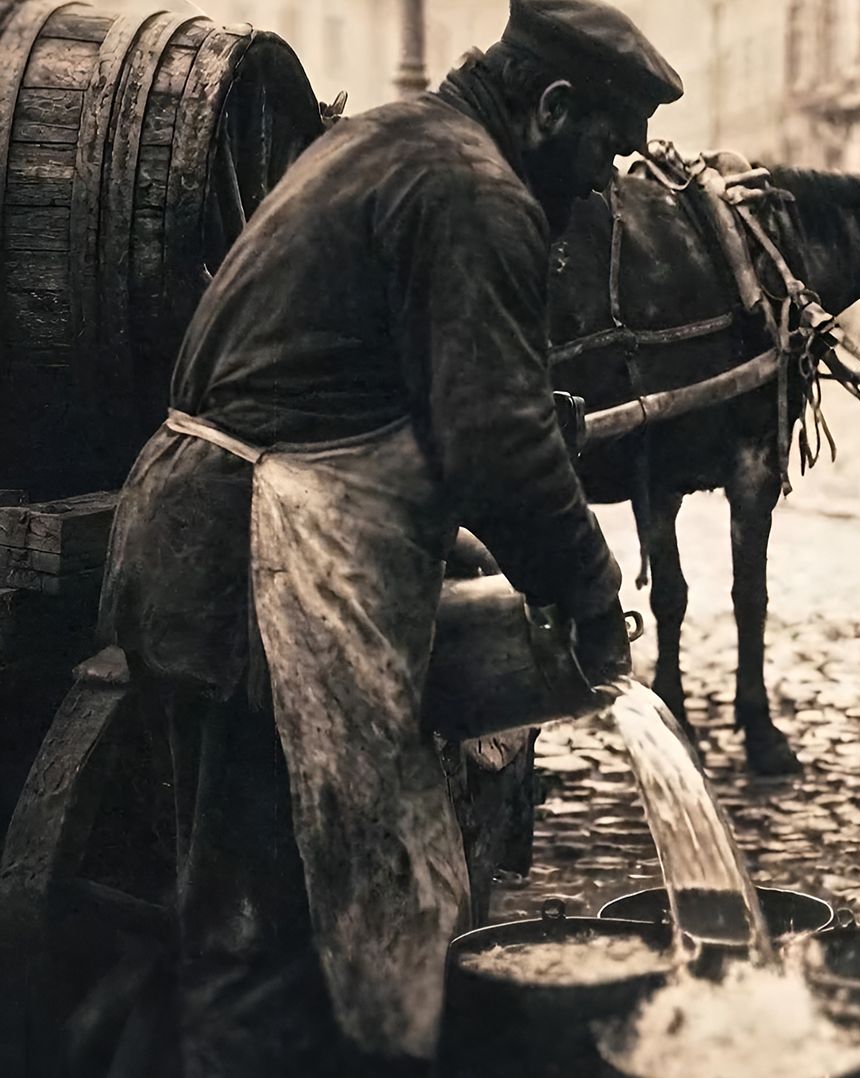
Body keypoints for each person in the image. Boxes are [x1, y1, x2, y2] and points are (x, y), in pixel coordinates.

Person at [96, 1, 683, 1073]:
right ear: (552, 108)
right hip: (257, 570)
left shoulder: (389, 139)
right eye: (609, 146)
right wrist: (593, 595)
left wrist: (446, 542)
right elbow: (497, 441)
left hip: (210, 535)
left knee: (249, 913)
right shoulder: (474, 189)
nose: (608, 180)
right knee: (268, 937)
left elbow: (348, 389)